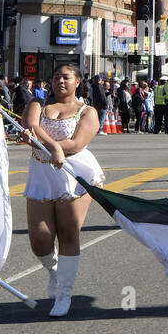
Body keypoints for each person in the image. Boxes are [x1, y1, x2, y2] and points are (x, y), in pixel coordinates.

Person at [20, 63, 104, 317]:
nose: (60, 82)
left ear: (78, 81)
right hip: (42, 172)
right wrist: (53, 147)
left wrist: (55, 147)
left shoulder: (87, 111)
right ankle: (55, 272)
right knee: (40, 238)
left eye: (66, 77)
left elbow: (77, 144)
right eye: (56, 77)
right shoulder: (38, 103)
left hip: (74, 174)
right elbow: (30, 125)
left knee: (68, 233)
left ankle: (64, 293)